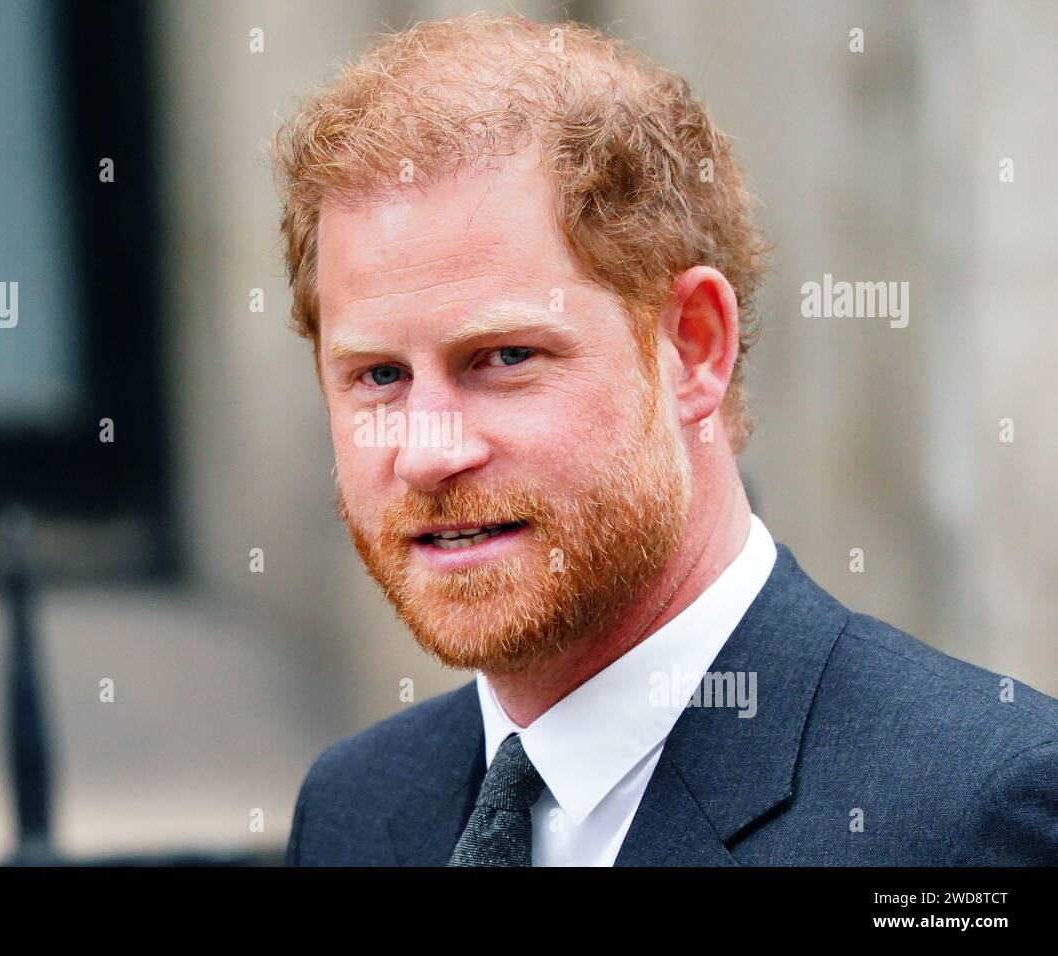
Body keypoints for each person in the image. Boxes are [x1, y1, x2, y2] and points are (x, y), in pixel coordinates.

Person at [270, 12, 1058, 866]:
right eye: (379, 375)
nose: (427, 452)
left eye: (503, 357)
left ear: (694, 349)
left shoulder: (973, 815)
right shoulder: (355, 809)